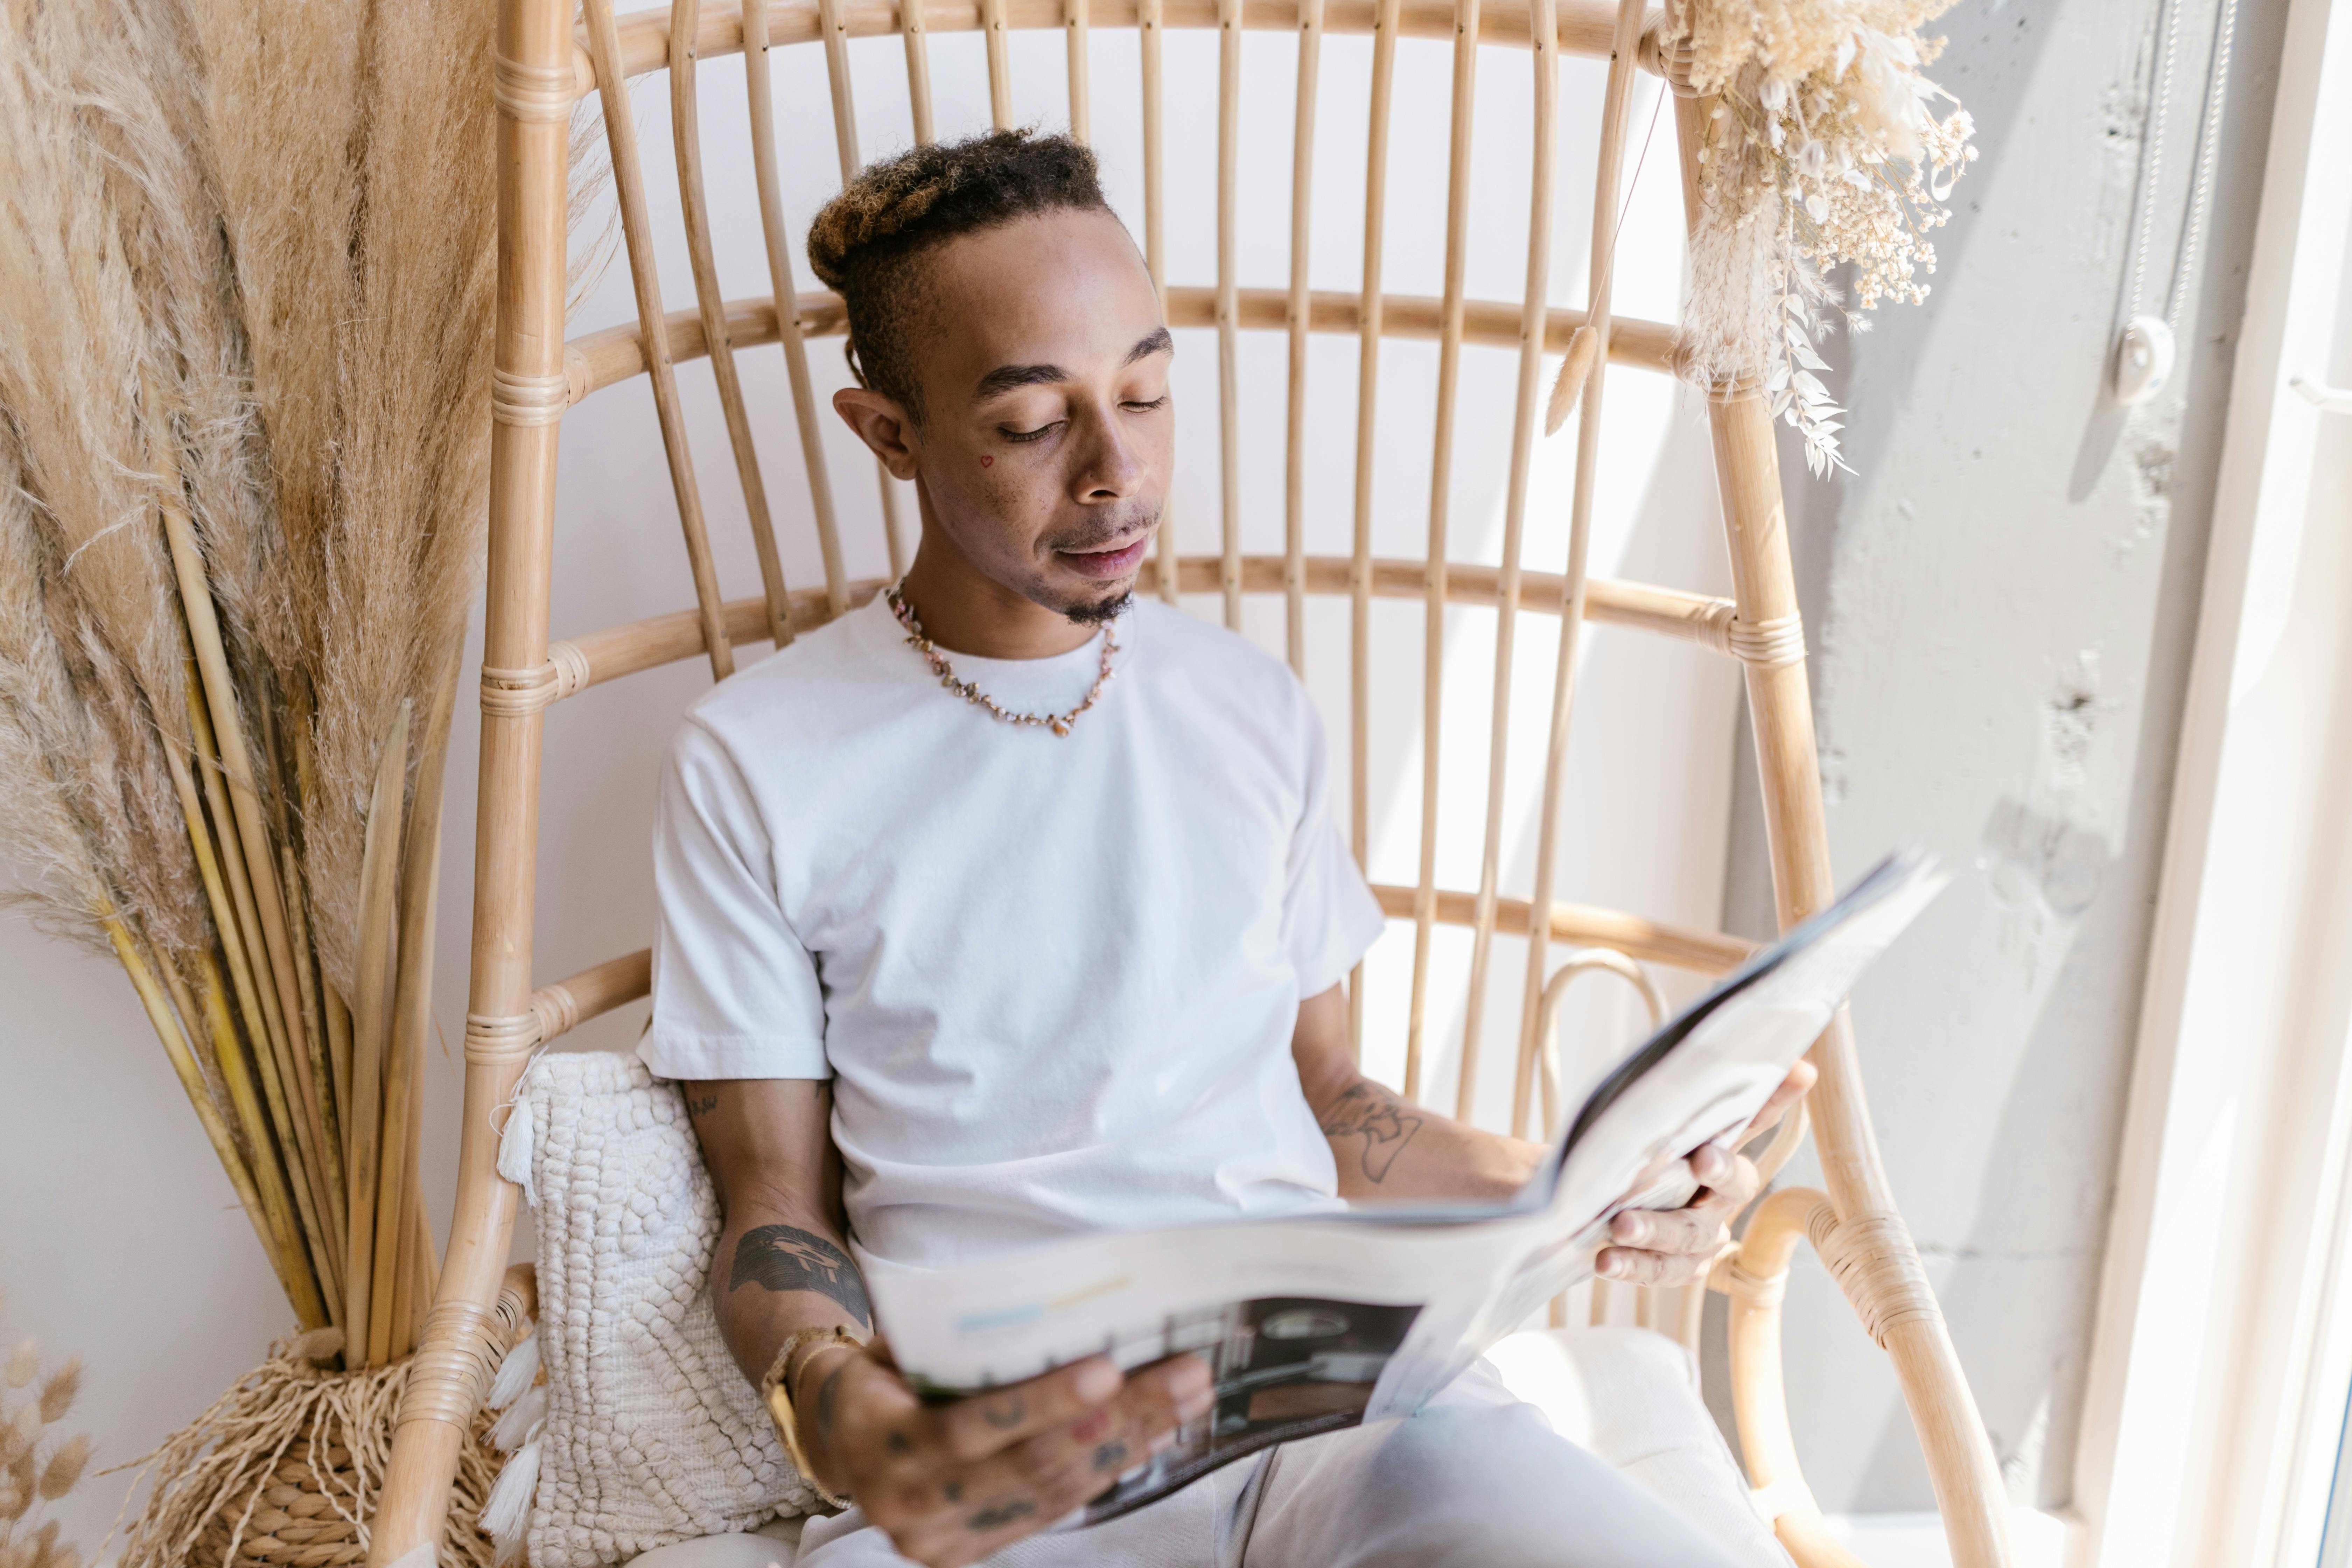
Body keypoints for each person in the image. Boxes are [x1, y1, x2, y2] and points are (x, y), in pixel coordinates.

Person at [644, 128, 1806, 1568]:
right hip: (1023, 1460)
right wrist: (840, 1408)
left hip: (1342, 1414)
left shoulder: (1247, 705)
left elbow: (1334, 1105)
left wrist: (1598, 1183)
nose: (1116, 470)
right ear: (889, 432)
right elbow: (772, 1206)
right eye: (1030, 425)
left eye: (1145, 390)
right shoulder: (760, 757)